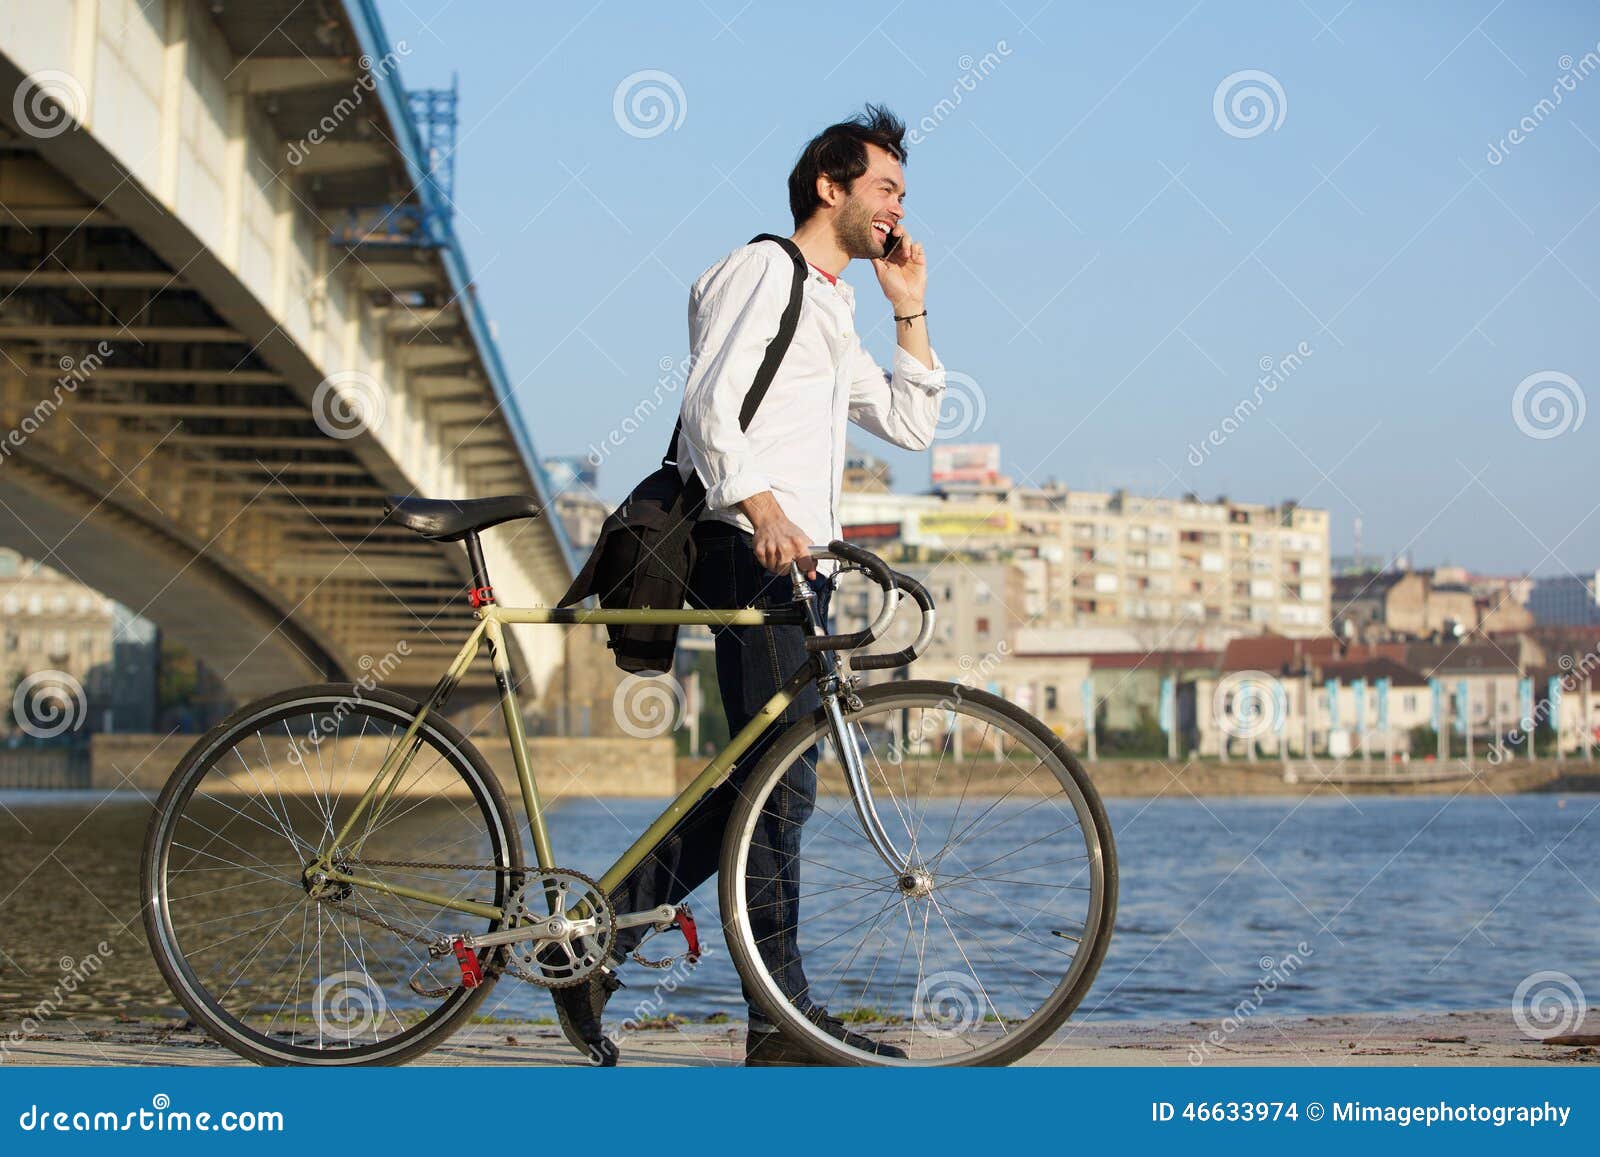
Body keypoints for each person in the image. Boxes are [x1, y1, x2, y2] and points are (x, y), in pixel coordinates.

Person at [553, 104, 946, 1066]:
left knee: (769, 786)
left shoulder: (831, 302)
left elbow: (908, 424)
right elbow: (708, 405)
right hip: (749, 548)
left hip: (800, 567)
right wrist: (765, 510)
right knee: (778, 790)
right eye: (887, 187)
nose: (900, 206)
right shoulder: (766, 270)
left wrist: (908, 304)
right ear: (832, 186)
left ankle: (604, 945)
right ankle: (775, 1015)